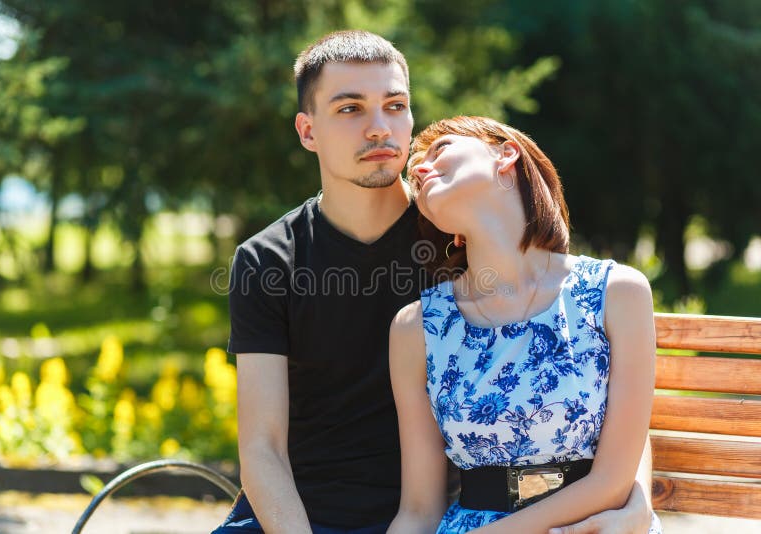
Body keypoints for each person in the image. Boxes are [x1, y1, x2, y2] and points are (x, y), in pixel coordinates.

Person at [215, 31, 655, 534]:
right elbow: (262, 448)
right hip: (300, 517)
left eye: (395, 105)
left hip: (427, 517)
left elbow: (587, 384)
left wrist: (633, 498)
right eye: (350, 109)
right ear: (308, 130)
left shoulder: (458, 236)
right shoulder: (268, 260)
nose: (379, 128)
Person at [387, 116, 663, 533]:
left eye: (440, 149)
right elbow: (419, 509)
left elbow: (611, 482)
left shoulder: (616, 293)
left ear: (506, 153)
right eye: (414, 173)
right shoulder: (417, 327)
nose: (420, 169)